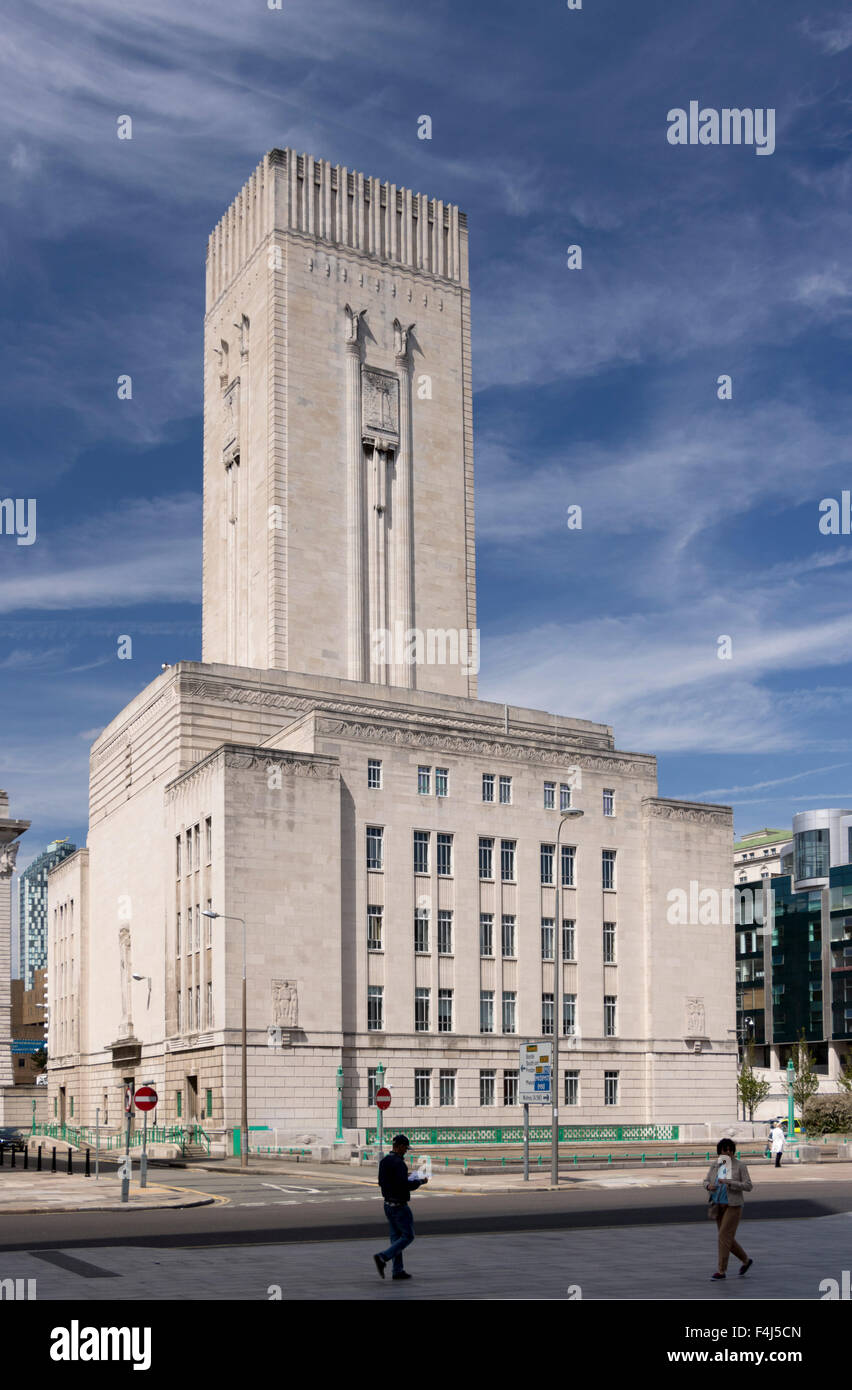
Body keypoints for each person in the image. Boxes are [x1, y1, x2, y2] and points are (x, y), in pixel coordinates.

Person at [374, 1134, 428, 1281]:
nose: (406, 1151)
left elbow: (382, 1182)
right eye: (405, 1148)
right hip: (399, 1206)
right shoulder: (399, 1164)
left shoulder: (385, 1161)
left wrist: (404, 1177)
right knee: (408, 1236)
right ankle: (383, 1257)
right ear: (398, 1147)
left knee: (395, 1238)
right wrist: (419, 1181)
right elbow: (404, 1185)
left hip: (387, 1204)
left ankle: (397, 1270)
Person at [703, 1137, 754, 1280]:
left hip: (733, 1206)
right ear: (719, 1153)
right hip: (718, 1205)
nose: (728, 1153)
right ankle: (745, 1260)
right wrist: (708, 1186)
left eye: (730, 1151)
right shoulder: (715, 1165)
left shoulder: (740, 1166)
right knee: (726, 1239)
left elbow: (748, 1186)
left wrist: (730, 1183)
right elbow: (706, 1180)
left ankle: (721, 1271)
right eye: (724, 1151)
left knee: (723, 1236)